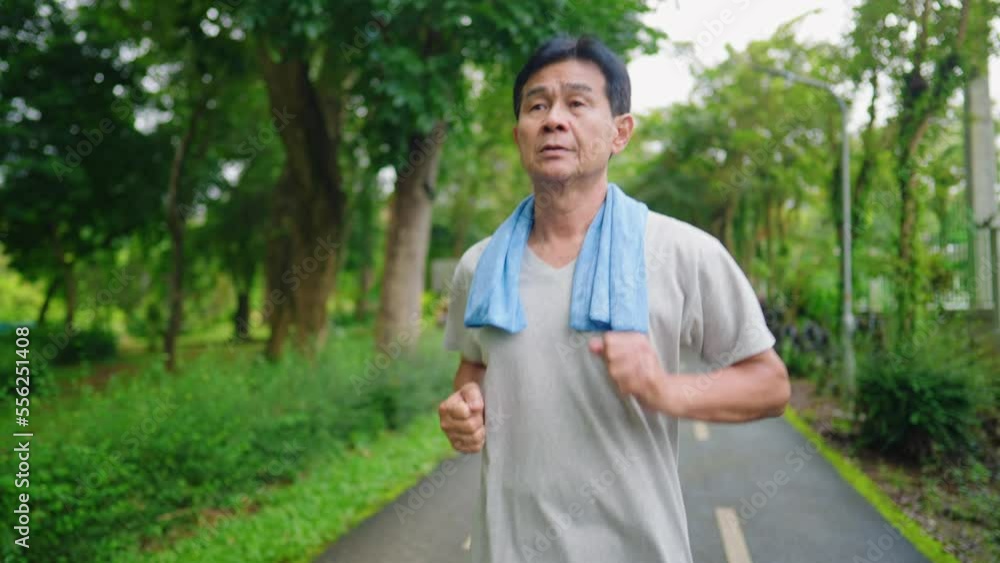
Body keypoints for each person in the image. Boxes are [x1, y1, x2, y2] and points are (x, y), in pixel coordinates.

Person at [438, 35, 790, 563]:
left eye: (577, 103)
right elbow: (474, 367)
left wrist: (666, 391)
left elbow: (770, 385)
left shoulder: (681, 252)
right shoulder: (479, 265)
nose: (554, 119)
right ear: (519, 135)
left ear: (620, 131)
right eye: (538, 105)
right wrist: (466, 407)